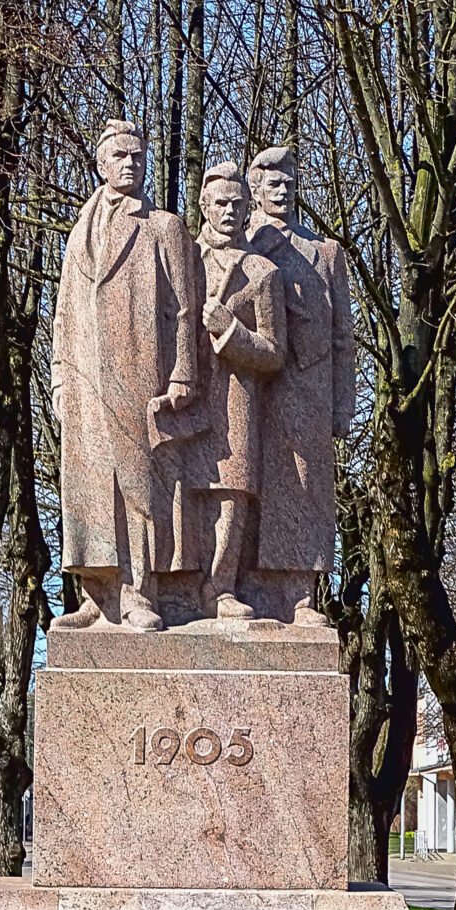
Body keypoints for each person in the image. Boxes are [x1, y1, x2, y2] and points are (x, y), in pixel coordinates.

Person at [51, 119, 205, 631]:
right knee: (92, 485)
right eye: (120, 154)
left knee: (141, 485)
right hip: (84, 379)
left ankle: (140, 592)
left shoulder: (163, 225)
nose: (131, 163)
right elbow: (66, 313)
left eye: (138, 156)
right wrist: (58, 378)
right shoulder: (80, 230)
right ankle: (98, 595)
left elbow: (186, 307)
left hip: (141, 371)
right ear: (100, 163)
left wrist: (184, 371)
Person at [245, 146, 356, 625]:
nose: (283, 191)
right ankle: (245, 588)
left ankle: (301, 596)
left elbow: (342, 338)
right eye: (273, 184)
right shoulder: (239, 245)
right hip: (252, 386)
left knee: (305, 487)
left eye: (289, 183)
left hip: (307, 390)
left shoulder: (324, 254)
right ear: (255, 189)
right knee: (248, 488)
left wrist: (342, 404)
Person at [192, 162, 285, 619]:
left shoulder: (263, 272)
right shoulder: (184, 257)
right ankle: (183, 587)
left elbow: (274, 351)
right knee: (187, 490)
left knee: (232, 492)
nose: (229, 212)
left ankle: (221, 587)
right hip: (189, 393)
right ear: (204, 207)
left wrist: (230, 332)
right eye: (220, 204)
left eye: (237, 204)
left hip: (236, 397)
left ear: (249, 210)